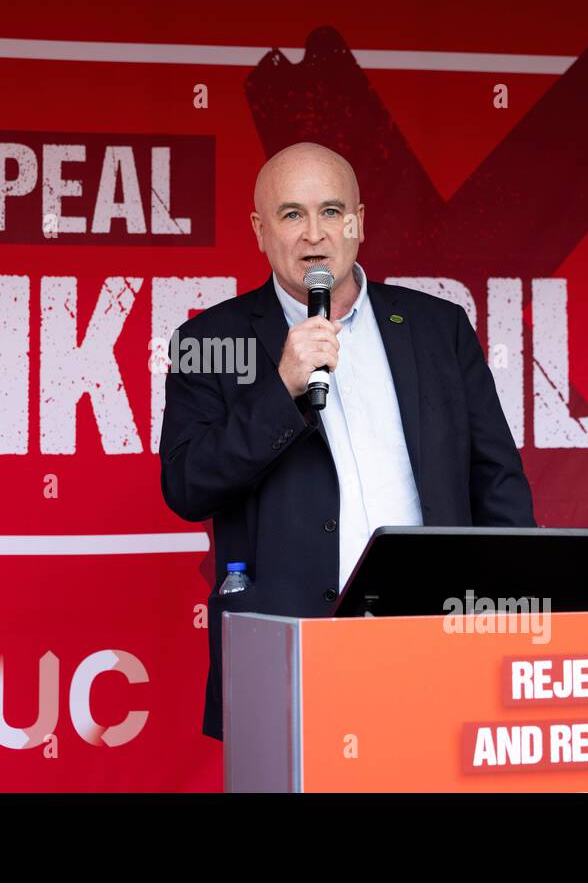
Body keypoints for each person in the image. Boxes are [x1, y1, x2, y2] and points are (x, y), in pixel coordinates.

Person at [159, 142, 535, 741]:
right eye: (291, 215)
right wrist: (281, 388)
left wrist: (517, 622)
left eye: (331, 211)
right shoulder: (208, 339)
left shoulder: (439, 327)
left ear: (357, 221)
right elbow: (186, 485)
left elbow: (496, 480)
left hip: (434, 641)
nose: (315, 234)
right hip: (291, 646)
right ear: (260, 230)